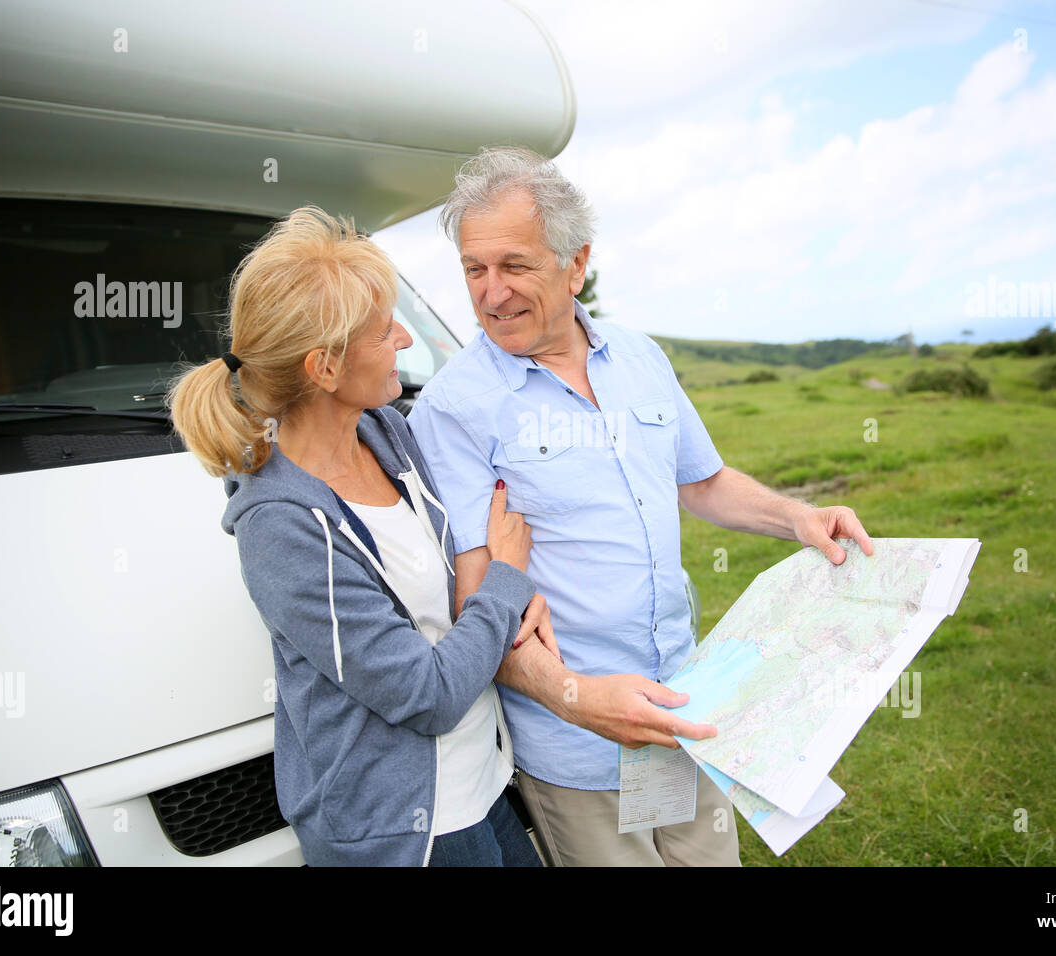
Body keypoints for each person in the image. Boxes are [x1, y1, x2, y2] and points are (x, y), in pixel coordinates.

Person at [407, 147, 875, 866]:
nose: (491, 293)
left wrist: (797, 519)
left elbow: (701, 481)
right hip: (577, 746)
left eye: (515, 266)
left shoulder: (638, 356)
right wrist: (576, 699)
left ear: (576, 262)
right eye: (475, 269)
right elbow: (481, 607)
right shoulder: (452, 408)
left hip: (684, 707)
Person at [167, 205, 554, 867]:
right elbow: (426, 694)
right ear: (323, 369)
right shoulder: (280, 529)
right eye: (383, 331)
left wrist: (503, 592)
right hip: (408, 834)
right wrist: (507, 582)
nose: (404, 338)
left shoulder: (386, 434)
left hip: (484, 786)